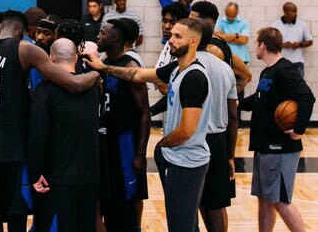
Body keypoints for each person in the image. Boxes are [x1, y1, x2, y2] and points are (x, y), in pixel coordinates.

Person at [0, 10, 100, 232]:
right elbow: (74, 85)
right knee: (16, 213)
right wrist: (98, 73)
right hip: (13, 148)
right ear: (22, 32)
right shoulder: (25, 49)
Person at [85, 16, 212, 232]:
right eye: (171, 35)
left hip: (187, 160)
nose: (170, 39)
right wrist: (104, 68)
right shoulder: (175, 68)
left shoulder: (194, 77)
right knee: (183, 221)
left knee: (181, 224)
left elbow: (187, 130)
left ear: (193, 42)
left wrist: (160, 146)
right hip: (175, 156)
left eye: (177, 36)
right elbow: (138, 74)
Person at [239, 28, 316, 232]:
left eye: (256, 43)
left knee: (281, 201)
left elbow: (307, 97)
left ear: (263, 45)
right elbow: (259, 99)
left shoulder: (285, 70)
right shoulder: (268, 71)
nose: (255, 46)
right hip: (264, 146)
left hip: (280, 148)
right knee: (264, 199)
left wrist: (299, 128)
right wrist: (234, 104)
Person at [29, 39, 100, 232]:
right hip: (89, 175)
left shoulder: (44, 91)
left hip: (56, 179)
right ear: (76, 57)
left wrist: (34, 172)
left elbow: (37, 135)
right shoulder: (92, 89)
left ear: (50, 58)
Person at [96, 19, 150, 232]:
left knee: (125, 204)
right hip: (106, 141)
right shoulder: (102, 64)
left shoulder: (130, 66)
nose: (98, 36)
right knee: (108, 203)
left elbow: (145, 113)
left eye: (102, 33)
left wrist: (140, 154)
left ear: (114, 38)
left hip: (125, 143)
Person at [191, 12, 239, 232]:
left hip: (193, 139)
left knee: (192, 202)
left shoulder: (187, 65)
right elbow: (233, 116)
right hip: (218, 141)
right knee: (216, 204)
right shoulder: (226, 69)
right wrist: (230, 154)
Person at [271, 2, 313, 78]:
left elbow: (310, 41)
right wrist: (282, 45)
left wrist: (300, 44)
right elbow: (270, 44)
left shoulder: (302, 24)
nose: (296, 14)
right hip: (280, 62)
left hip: (297, 63)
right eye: (293, 11)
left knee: (298, 88)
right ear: (285, 12)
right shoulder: (275, 25)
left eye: (296, 11)